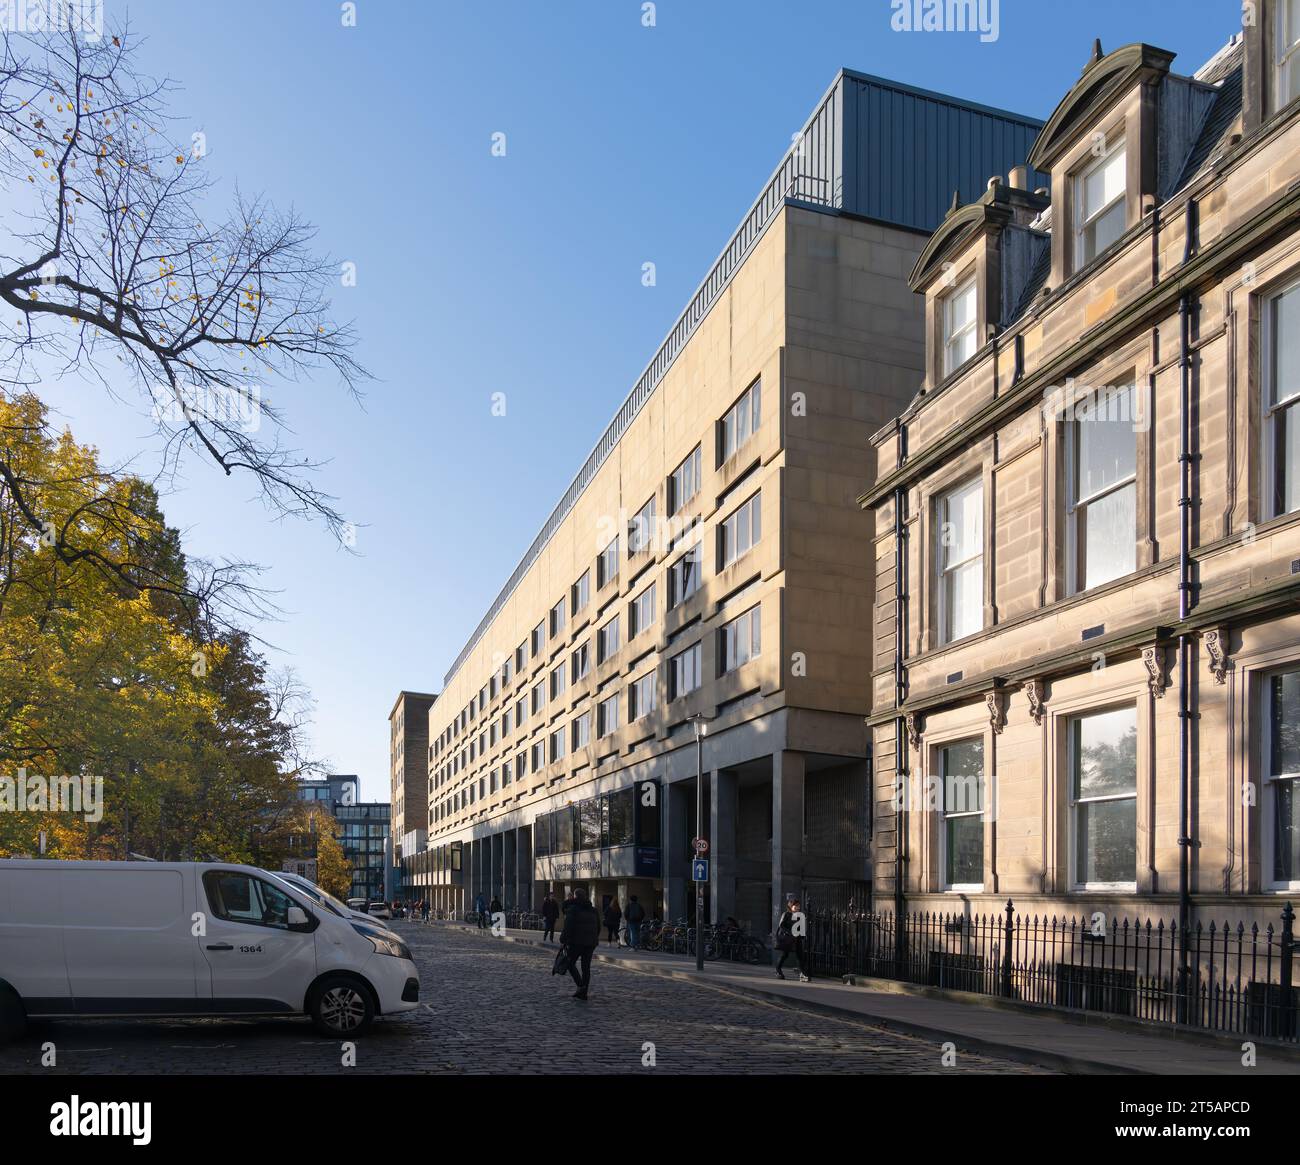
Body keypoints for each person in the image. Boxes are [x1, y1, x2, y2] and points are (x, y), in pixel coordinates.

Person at [559, 887, 601, 1000]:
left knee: (570, 963)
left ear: (575, 897)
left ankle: (581, 986)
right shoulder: (593, 910)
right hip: (590, 943)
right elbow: (598, 927)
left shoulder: (573, 909)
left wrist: (563, 939)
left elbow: (568, 926)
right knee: (586, 968)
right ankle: (584, 992)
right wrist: (594, 938)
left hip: (576, 942)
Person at [775, 897, 810, 982]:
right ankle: (778, 970)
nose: (798, 908)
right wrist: (790, 932)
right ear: (791, 906)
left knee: (800, 956)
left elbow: (801, 927)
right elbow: (781, 926)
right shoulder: (786, 914)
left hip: (796, 939)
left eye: (798, 906)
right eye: (796, 906)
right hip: (788, 938)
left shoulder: (799, 916)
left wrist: (802, 935)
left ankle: (803, 974)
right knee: (785, 955)